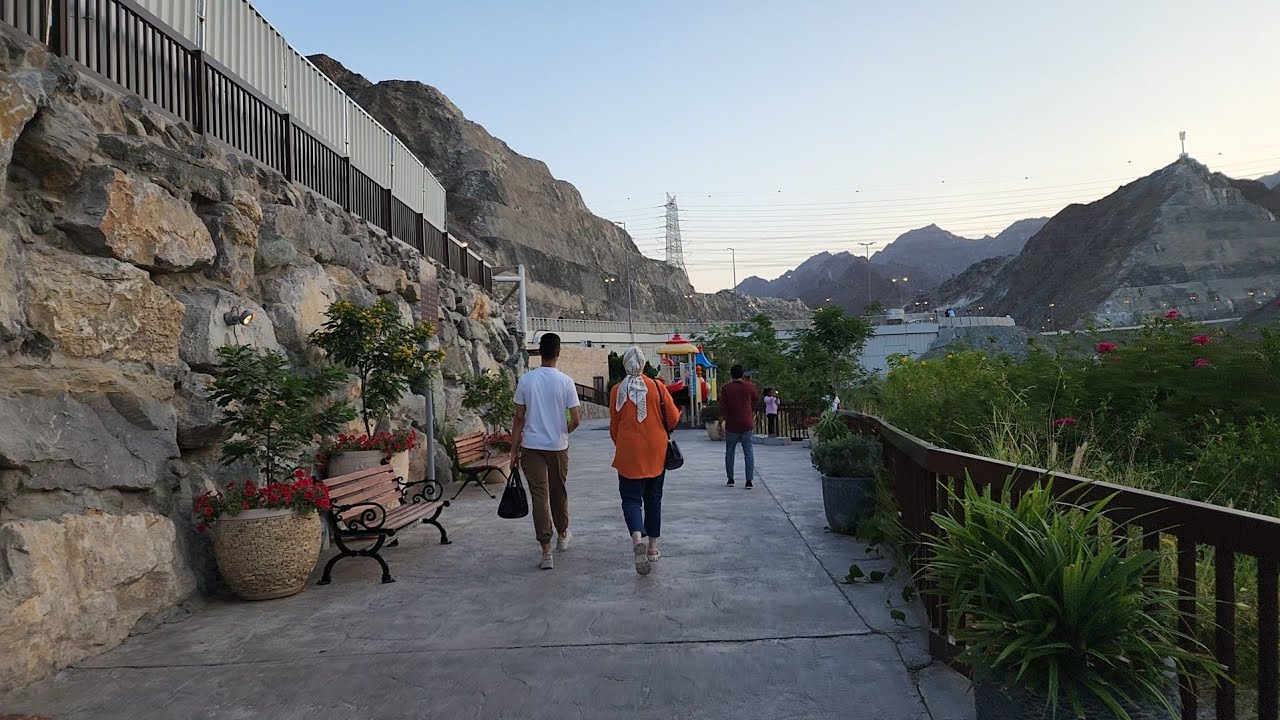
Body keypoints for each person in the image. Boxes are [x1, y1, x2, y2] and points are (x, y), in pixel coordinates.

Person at [510, 333, 582, 570]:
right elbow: (576, 419)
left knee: (539, 496)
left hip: (531, 447)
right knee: (558, 490)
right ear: (558, 352)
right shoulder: (566, 381)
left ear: (540, 352)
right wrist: (562, 431)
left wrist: (513, 451)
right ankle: (562, 535)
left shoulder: (526, 381)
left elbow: (519, 418)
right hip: (557, 446)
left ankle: (545, 550)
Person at [609, 347, 681, 575]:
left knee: (631, 500)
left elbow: (614, 425)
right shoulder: (657, 387)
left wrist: (622, 444)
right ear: (642, 363)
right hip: (656, 452)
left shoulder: (616, 390)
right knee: (653, 498)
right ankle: (652, 549)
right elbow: (672, 418)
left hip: (629, 453)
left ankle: (636, 539)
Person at [719, 364, 758, 488]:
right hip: (746, 423)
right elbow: (756, 398)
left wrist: (720, 424)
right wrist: (750, 383)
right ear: (742, 374)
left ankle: (730, 479)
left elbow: (723, 408)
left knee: (730, 452)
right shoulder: (749, 386)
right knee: (748, 452)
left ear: (731, 375)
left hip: (732, 425)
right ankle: (749, 481)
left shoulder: (726, 388)